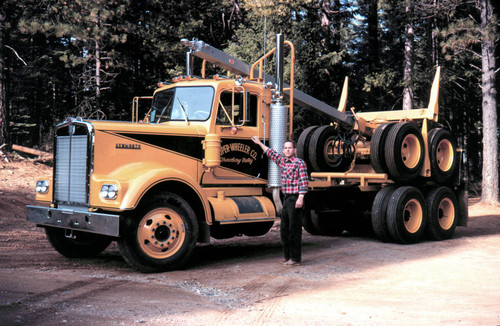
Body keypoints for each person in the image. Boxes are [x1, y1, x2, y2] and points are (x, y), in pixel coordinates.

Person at [251, 136, 308, 266]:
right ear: (283, 150)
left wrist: (301, 197)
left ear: (294, 150)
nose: (288, 150)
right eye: (286, 148)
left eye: (290, 148)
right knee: (284, 229)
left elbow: (303, 181)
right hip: (286, 197)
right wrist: (259, 143)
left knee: (294, 229)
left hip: (295, 198)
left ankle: (295, 259)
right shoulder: (282, 161)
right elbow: (270, 153)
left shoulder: (299, 163)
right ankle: (287, 257)